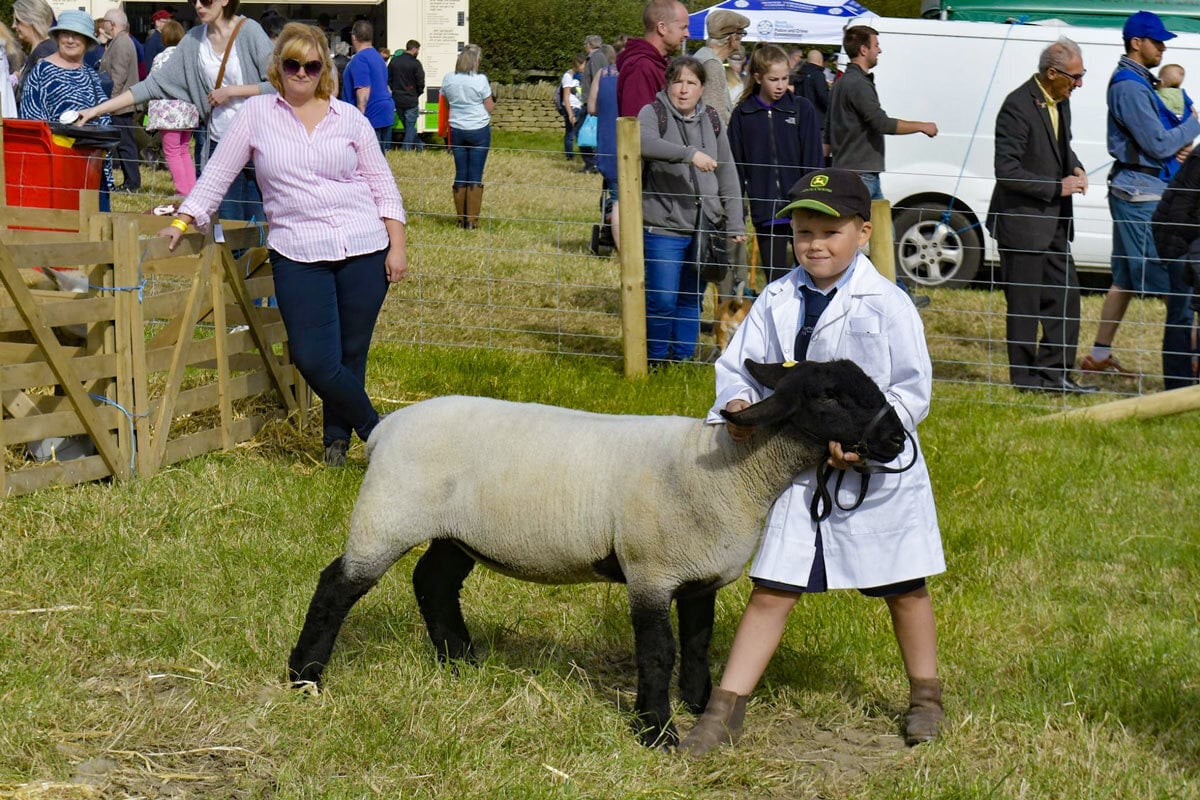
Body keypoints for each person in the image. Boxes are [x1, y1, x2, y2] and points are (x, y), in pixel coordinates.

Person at [678, 168, 945, 756]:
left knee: (903, 584)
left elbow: (911, 389)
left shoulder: (888, 304)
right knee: (774, 586)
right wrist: (737, 404)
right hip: (798, 470)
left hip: (874, 473)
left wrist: (867, 441)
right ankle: (723, 713)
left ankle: (925, 697)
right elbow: (739, 367)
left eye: (829, 232)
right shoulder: (775, 299)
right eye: (803, 233)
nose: (814, 245)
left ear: (863, 232)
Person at [159, 22, 408, 467]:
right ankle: (380, 433)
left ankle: (335, 444)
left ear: (324, 69)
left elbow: (383, 185)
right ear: (279, 67)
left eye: (311, 65)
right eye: (292, 64)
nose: (301, 73)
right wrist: (184, 219)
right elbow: (217, 173)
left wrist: (397, 245)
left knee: (352, 353)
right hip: (298, 250)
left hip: (364, 246)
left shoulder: (349, 118)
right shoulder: (257, 115)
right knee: (313, 357)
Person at [76, 0, 275, 223]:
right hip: (219, 143)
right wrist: (97, 110)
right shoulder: (194, 39)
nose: (198, 5)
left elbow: (279, 84)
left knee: (261, 223)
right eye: (193, 0)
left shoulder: (249, 31)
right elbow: (152, 85)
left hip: (257, 141)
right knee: (228, 225)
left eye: (205, 0)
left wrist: (231, 91)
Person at [1083, 11, 1200, 387]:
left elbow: (1161, 141)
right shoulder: (1131, 87)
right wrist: (1192, 125)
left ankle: (1099, 355)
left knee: (1124, 279)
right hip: (1141, 194)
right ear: (1137, 42)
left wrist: (1178, 144)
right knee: (1174, 281)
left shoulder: (1142, 82)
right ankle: (1188, 365)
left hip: (1136, 188)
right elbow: (1158, 143)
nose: (1163, 48)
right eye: (1157, 41)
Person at [986, 39, 1097, 395]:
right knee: (1024, 305)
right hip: (1022, 224)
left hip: (1054, 223)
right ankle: (1025, 381)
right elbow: (1007, 171)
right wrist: (1056, 186)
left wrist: (1075, 166)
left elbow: (1061, 146)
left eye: (1081, 75)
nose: (1079, 83)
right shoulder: (1017, 106)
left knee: (1066, 298)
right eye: (1075, 77)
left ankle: (1056, 375)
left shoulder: (1061, 101)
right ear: (1052, 73)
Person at [638, 56, 745, 366]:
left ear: (702, 88)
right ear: (668, 84)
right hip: (663, 226)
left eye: (691, 83)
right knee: (662, 299)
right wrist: (689, 154)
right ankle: (656, 360)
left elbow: (727, 171)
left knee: (691, 298)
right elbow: (643, 142)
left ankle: (682, 360)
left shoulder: (711, 119)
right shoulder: (652, 113)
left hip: (705, 227)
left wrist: (735, 221)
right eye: (678, 82)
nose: (684, 90)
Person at [826, 24, 938, 306]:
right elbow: (881, 122)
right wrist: (921, 126)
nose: (880, 50)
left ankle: (896, 295)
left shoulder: (843, 82)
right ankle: (896, 299)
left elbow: (828, 133)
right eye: (876, 45)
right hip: (861, 173)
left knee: (875, 238)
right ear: (864, 49)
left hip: (851, 169)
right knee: (874, 240)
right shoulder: (857, 84)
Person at [728, 44, 824, 287]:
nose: (781, 85)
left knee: (814, 277)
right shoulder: (743, 115)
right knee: (777, 282)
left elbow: (814, 162)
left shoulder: (801, 109)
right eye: (774, 79)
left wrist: (814, 203)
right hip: (766, 212)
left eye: (785, 78)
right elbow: (735, 169)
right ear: (758, 77)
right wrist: (736, 215)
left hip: (802, 210)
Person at [17, 10, 113, 209]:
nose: (70, 40)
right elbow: (32, 122)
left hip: (92, 167)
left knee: (97, 223)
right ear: (57, 37)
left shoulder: (91, 75)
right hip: (56, 168)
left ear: (87, 41)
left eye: (77, 35)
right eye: (65, 34)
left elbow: (104, 119)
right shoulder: (42, 72)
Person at [1151, 147, 1200, 386]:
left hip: (1193, 239)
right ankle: (1177, 386)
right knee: (1182, 315)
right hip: (1180, 241)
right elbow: (1180, 211)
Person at [440, 43, 493, 230]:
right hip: (478, 128)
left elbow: (446, 102)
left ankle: (460, 219)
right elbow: (489, 106)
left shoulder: (448, 79)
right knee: (475, 174)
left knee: (460, 172)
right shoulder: (480, 80)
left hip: (457, 128)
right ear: (474, 62)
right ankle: (471, 220)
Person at [146, 19, 198, 196]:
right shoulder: (189, 58)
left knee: (172, 152)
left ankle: (182, 191)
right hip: (188, 109)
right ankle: (191, 189)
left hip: (169, 111)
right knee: (184, 150)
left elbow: (152, 84)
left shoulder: (161, 58)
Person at [616, 0, 688, 118]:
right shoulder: (640, 67)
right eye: (683, 28)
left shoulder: (660, 63)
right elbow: (638, 121)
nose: (687, 34)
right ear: (662, 28)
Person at [97, 9, 141, 192]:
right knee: (124, 144)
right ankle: (130, 182)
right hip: (120, 103)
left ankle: (132, 183)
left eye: (105, 22)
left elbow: (118, 77)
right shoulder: (118, 41)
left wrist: (109, 104)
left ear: (112, 24)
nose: (103, 25)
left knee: (125, 145)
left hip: (121, 105)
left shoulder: (122, 43)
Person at [341, 20, 394, 152]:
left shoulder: (360, 59)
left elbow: (363, 88)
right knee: (378, 156)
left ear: (354, 37)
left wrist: (360, 119)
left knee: (368, 157)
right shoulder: (377, 57)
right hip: (384, 112)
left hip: (370, 114)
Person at [690, 8, 747, 126]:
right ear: (732, 38)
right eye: (741, 34)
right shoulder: (712, 65)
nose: (741, 39)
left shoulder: (702, 56)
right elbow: (715, 117)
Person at [11, 0, 56, 106]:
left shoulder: (44, 52)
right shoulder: (42, 50)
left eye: (17, 21)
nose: (13, 26)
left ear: (32, 21)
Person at [388, 39, 424, 151]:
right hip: (411, 99)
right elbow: (420, 82)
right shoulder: (416, 63)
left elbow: (388, 79)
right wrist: (417, 93)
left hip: (397, 98)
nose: (418, 52)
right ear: (414, 49)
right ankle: (406, 150)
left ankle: (420, 145)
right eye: (418, 50)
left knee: (409, 126)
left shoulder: (394, 61)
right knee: (410, 126)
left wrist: (395, 90)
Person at [577, 34, 606, 172]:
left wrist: (594, 102)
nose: (584, 46)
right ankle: (593, 163)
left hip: (591, 103)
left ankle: (591, 163)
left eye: (585, 44)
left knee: (583, 132)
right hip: (592, 102)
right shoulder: (599, 56)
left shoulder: (595, 58)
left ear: (589, 45)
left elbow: (597, 79)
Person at [792, 48, 831, 132]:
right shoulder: (818, 75)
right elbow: (823, 95)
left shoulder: (799, 73)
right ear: (820, 61)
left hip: (801, 117)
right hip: (817, 119)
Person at [559, 52, 584, 162]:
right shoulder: (568, 76)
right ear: (578, 64)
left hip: (580, 106)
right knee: (571, 133)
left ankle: (585, 156)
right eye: (583, 65)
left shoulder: (582, 76)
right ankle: (570, 156)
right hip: (572, 107)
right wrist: (570, 114)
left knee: (580, 132)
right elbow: (566, 96)